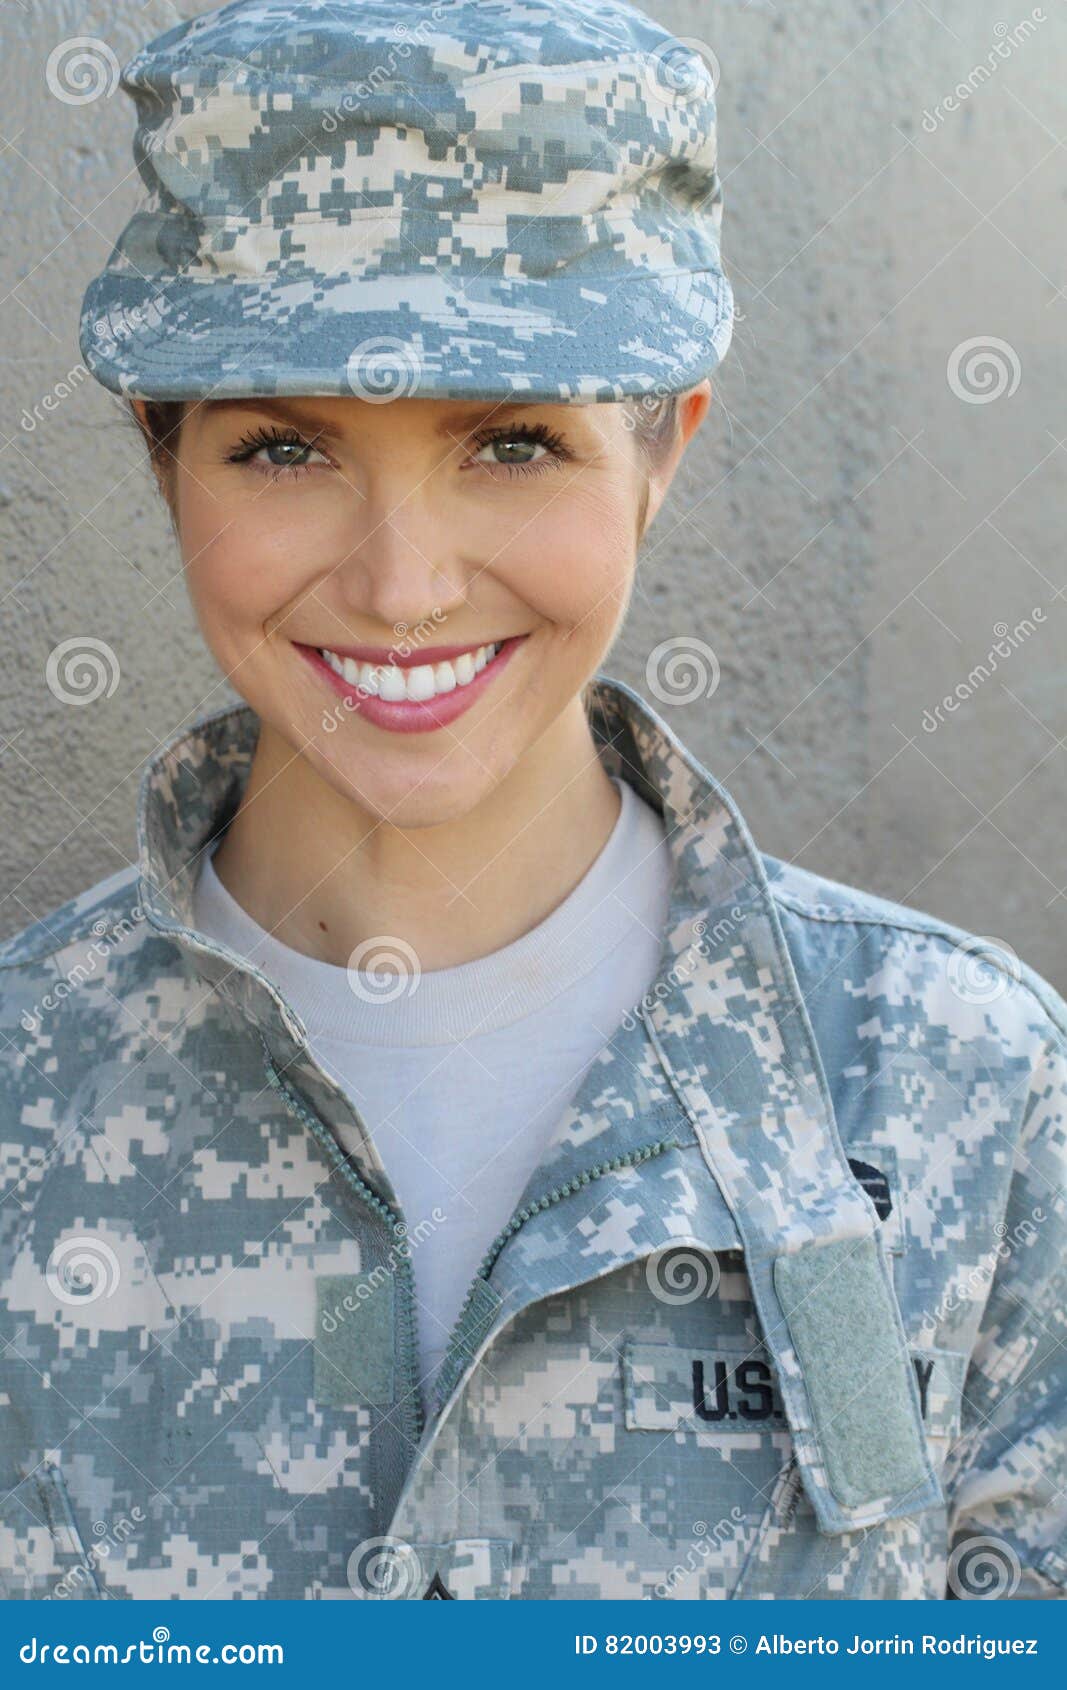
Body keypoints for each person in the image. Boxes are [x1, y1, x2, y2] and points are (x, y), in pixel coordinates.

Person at [1, 0, 1064, 1603]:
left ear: (664, 449)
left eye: (512, 440)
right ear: (162, 456)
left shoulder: (977, 1096)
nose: (404, 584)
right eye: (284, 447)